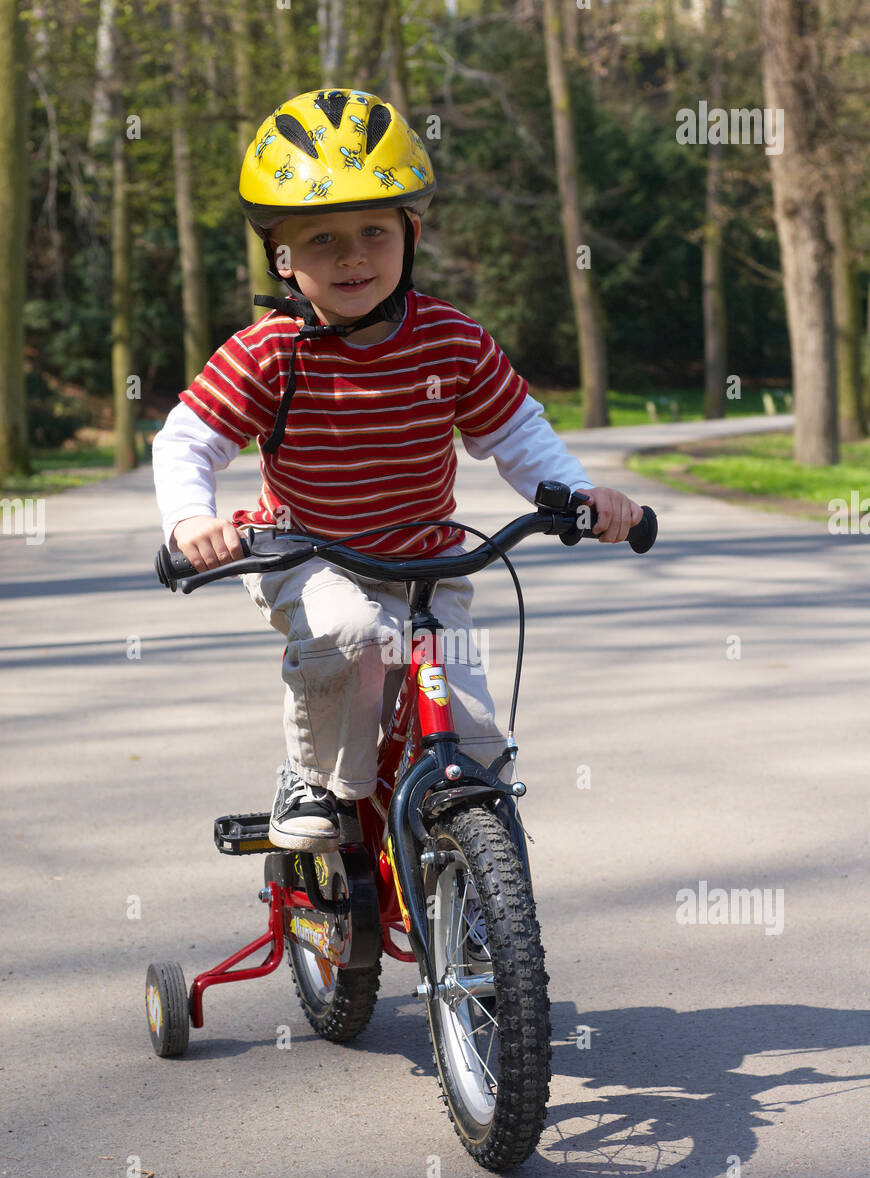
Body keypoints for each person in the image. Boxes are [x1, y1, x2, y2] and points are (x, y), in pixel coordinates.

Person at [152, 87, 642, 853]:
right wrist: (191, 521)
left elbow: (518, 432)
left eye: (373, 231)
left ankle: (479, 907)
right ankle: (310, 779)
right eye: (320, 240)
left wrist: (579, 494)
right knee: (348, 633)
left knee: (474, 743)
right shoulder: (270, 352)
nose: (351, 257)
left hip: (427, 566)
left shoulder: (451, 339)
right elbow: (188, 440)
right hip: (305, 555)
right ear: (280, 255)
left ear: (410, 234)